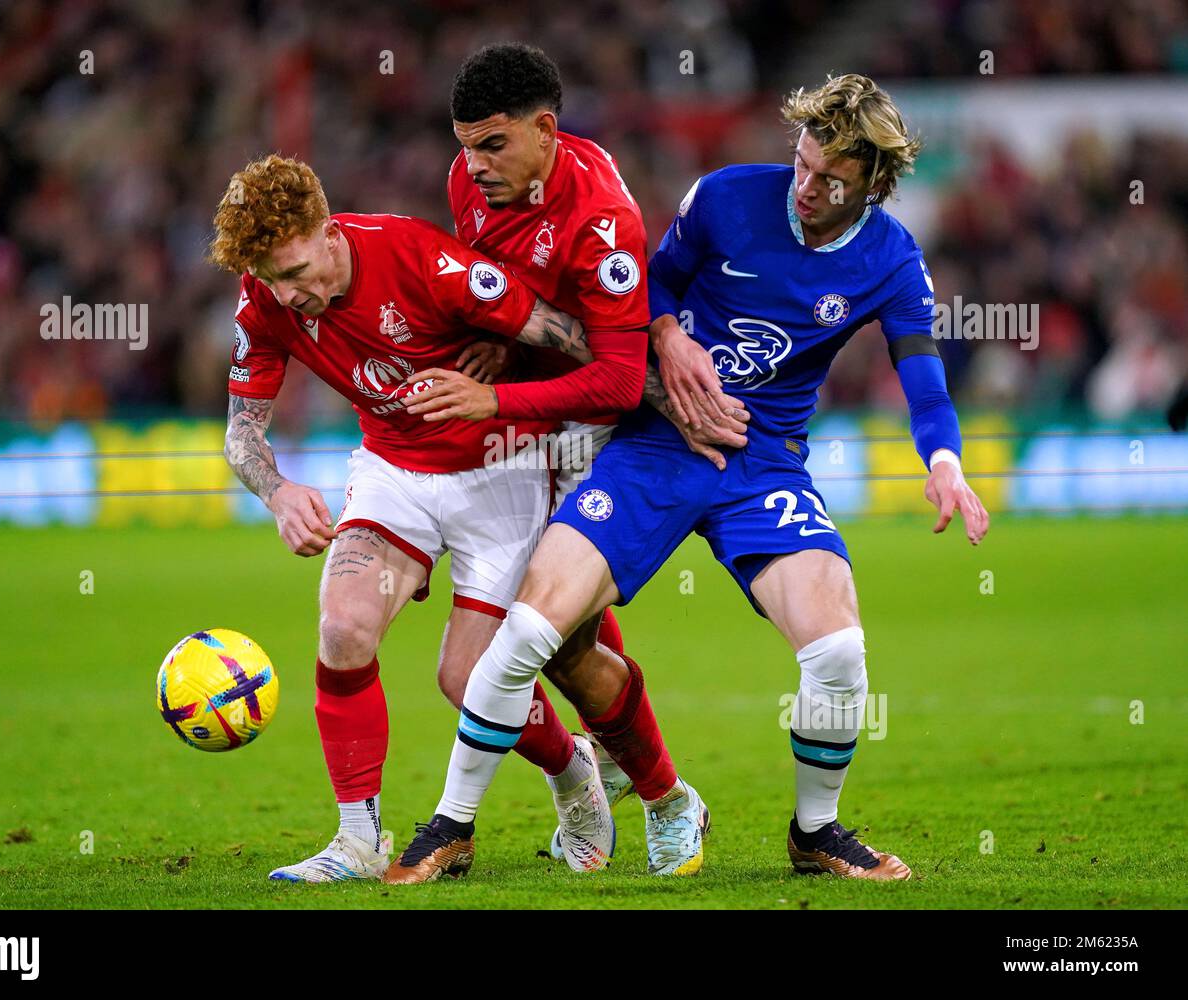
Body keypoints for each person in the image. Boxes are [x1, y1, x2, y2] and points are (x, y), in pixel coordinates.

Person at [390, 73, 990, 884]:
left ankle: (816, 833)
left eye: (831, 181)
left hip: (762, 460)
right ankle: (451, 826)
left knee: (841, 650)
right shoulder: (731, 196)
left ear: (875, 185)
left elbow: (923, 377)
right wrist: (668, 337)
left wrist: (945, 464)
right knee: (529, 633)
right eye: (804, 165)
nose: (806, 188)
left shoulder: (892, 259)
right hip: (654, 443)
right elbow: (655, 280)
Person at [211, 153, 635, 881]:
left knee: (467, 679)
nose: (290, 293)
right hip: (393, 471)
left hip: (498, 469)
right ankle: (356, 840)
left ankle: (573, 773)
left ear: (326, 228)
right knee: (343, 627)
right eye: (273, 280)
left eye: (298, 271)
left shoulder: (417, 257)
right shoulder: (266, 299)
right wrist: (278, 492)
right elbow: (241, 432)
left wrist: (508, 341)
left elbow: (566, 332)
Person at [381, 44, 745, 883]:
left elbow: (619, 384)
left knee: (552, 649)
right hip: (513, 431)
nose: (473, 168)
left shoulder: (603, 221)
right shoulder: (467, 182)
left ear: (547, 131)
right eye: (465, 145)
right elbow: (501, 291)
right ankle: (613, 768)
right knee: (558, 642)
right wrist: (490, 343)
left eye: (493, 146)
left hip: (584, 436)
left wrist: (494, 400)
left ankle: (652, 792)